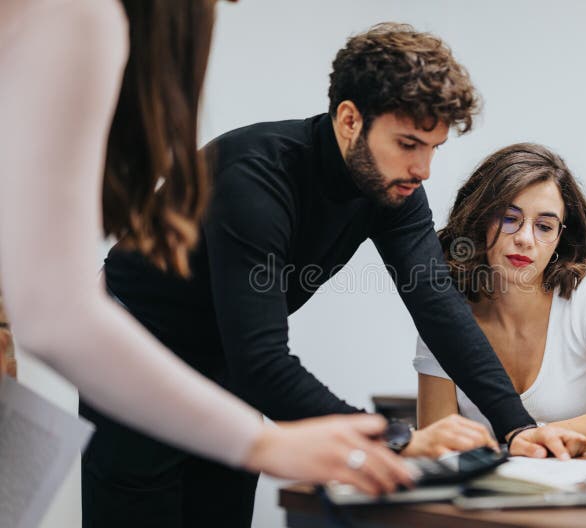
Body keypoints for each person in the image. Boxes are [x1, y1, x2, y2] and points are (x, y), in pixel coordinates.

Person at [94, 22, 583, 527]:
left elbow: (439, 306)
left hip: (225, 354)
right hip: (136, 347)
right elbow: (262, 362)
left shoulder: (394, 188)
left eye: (433, 148)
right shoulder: (255, 181)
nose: (424, 170)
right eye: (409, 143)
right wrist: (396, 439)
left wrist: (517, 427)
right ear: (350, 119)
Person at [0, 1, 413, 524]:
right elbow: (56, 313)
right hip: (139, 347)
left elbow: (49, 308)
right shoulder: (83, 19)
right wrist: (269, 444)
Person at [415, 143, 586, 452]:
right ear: (481, 220)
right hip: (494, 495)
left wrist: (534, 435)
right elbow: (436, 445)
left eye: (544, 226)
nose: (526, 239)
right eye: (510, 219)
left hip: (584, 484)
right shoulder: (447, 313)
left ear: (559, 238)